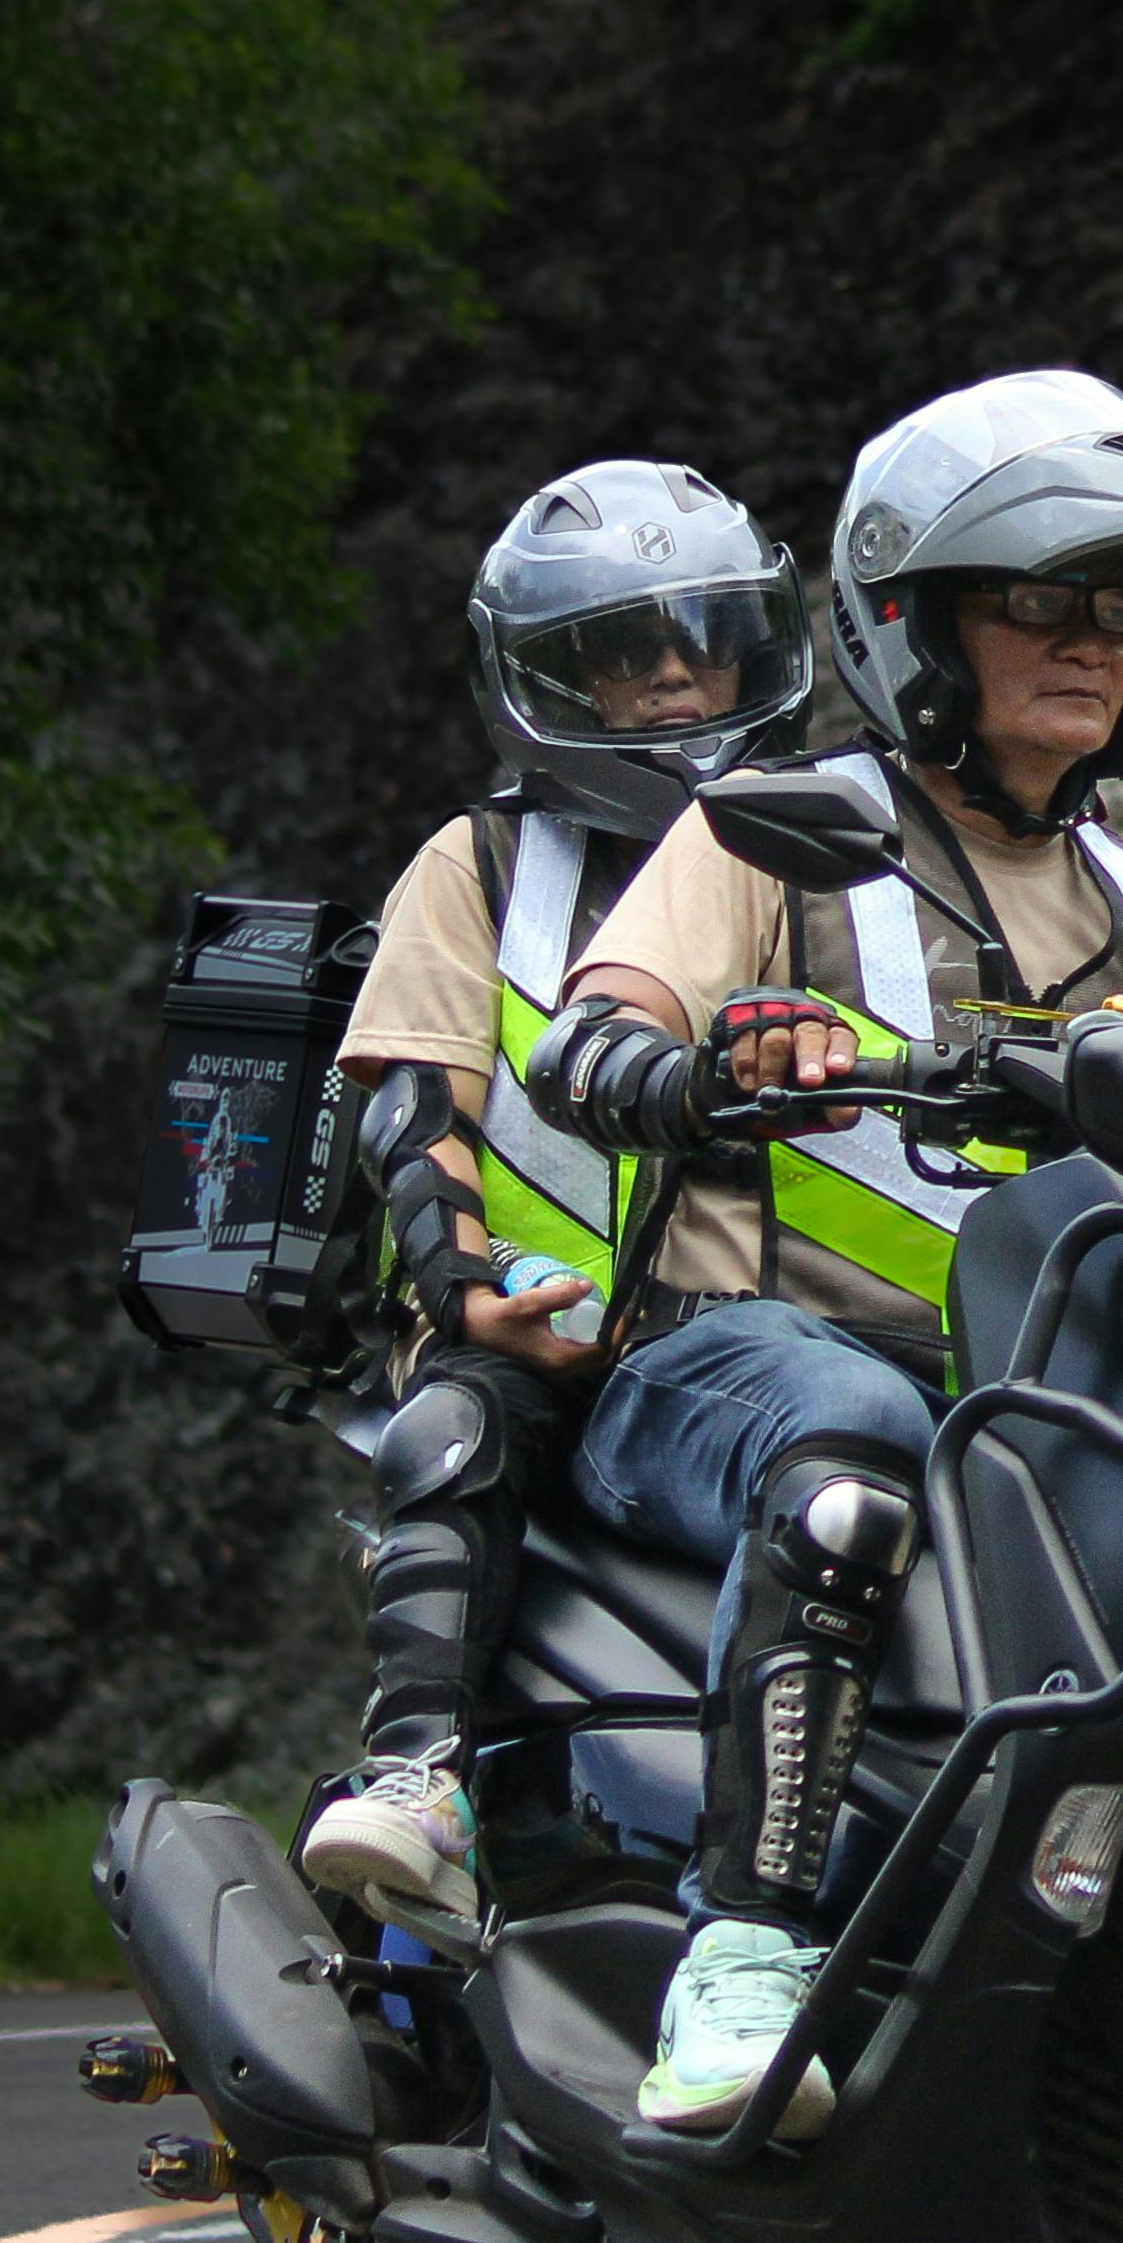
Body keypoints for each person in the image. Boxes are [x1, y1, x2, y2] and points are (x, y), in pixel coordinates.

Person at [525, 369, 1123, 2130]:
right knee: (853, 1462)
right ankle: (743, 1959)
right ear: (911, 619)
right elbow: (582, 1037)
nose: (1094, 647)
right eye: (1043, 603)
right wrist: (702, 1065)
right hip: (730, 1362)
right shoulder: (775, 827)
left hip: (1035, 1395)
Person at [300, 458, 811, 1934]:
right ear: (543, 676)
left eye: (702, 638)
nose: (671, 678)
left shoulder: (827, 855)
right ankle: (415, 1767)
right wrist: (468, 1290)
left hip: (759, 1347)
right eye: (619, 650)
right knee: (459, 1419)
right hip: (540, 1326)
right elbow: (411, 1106)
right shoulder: (478, 866)